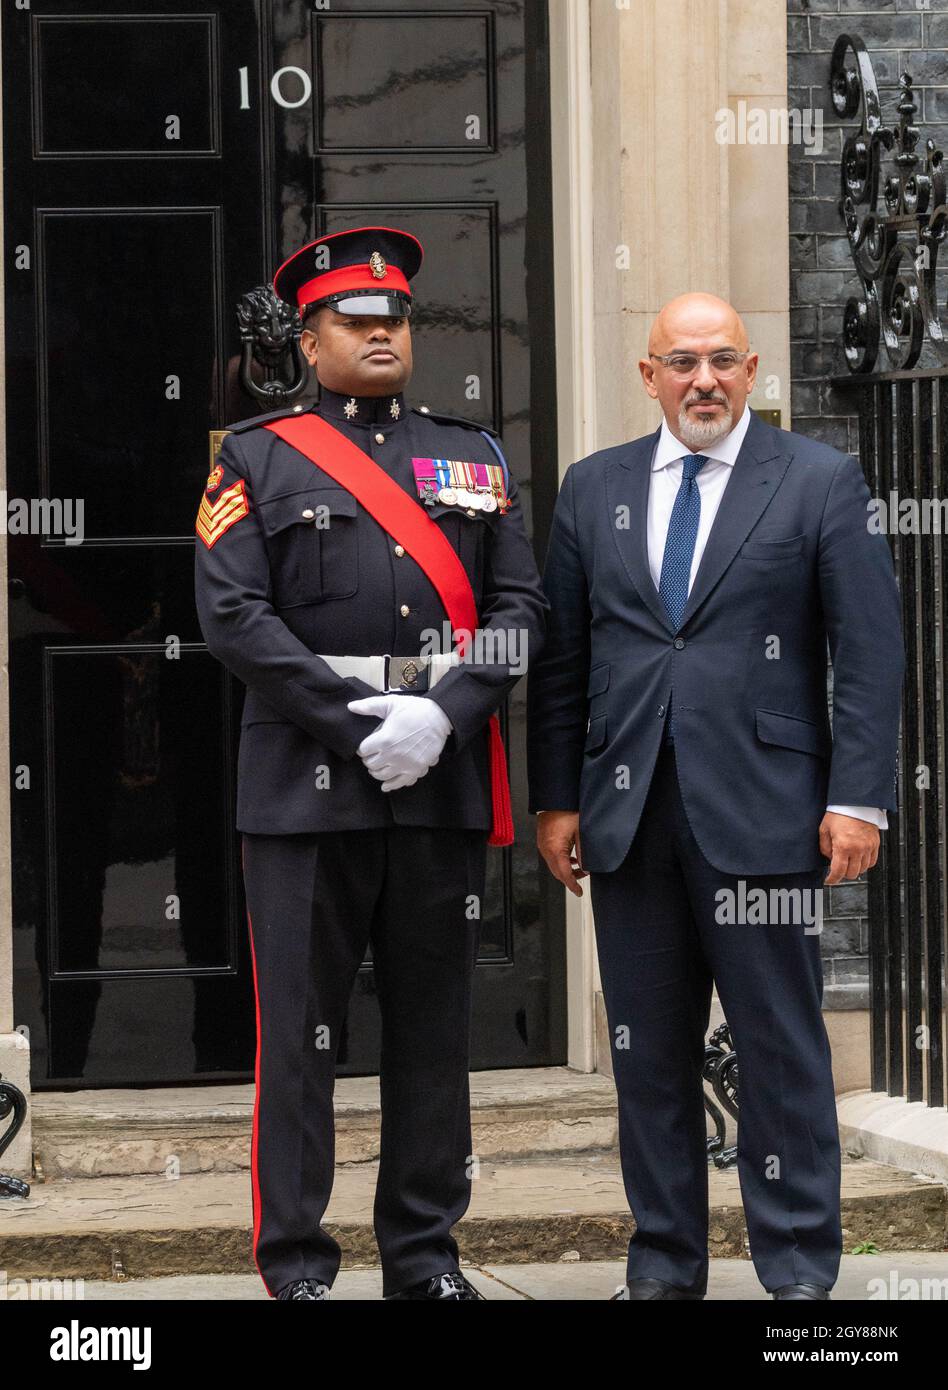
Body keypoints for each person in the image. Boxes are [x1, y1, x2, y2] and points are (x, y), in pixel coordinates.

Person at [527, 292, 904, 1301]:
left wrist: (860, 798)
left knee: (780, 1051)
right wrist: (555, 800)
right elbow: (563, 658)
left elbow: (868, 654)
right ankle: (662, 1271)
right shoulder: (591, 488)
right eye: (682, 360)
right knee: (647, 1057)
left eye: (723, 359)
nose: (704, 378)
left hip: (770, 814)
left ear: (750, 371)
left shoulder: (819, 481)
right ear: (647, 375)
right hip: (627, 812)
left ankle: (798, 1273)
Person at [194, 226, 547, 1300]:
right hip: (306, 783)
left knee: (433, 1037)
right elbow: (234, 619)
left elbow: (520, 608)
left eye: (394, 318)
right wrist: (363, 722)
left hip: (435, 777)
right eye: (355, 319)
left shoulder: (471, 456)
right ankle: (297, 1264)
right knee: (300, 1039)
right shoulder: (253, 455)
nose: (381, 333)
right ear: (311, 337)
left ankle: (425, 1259)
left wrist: (443, 716)